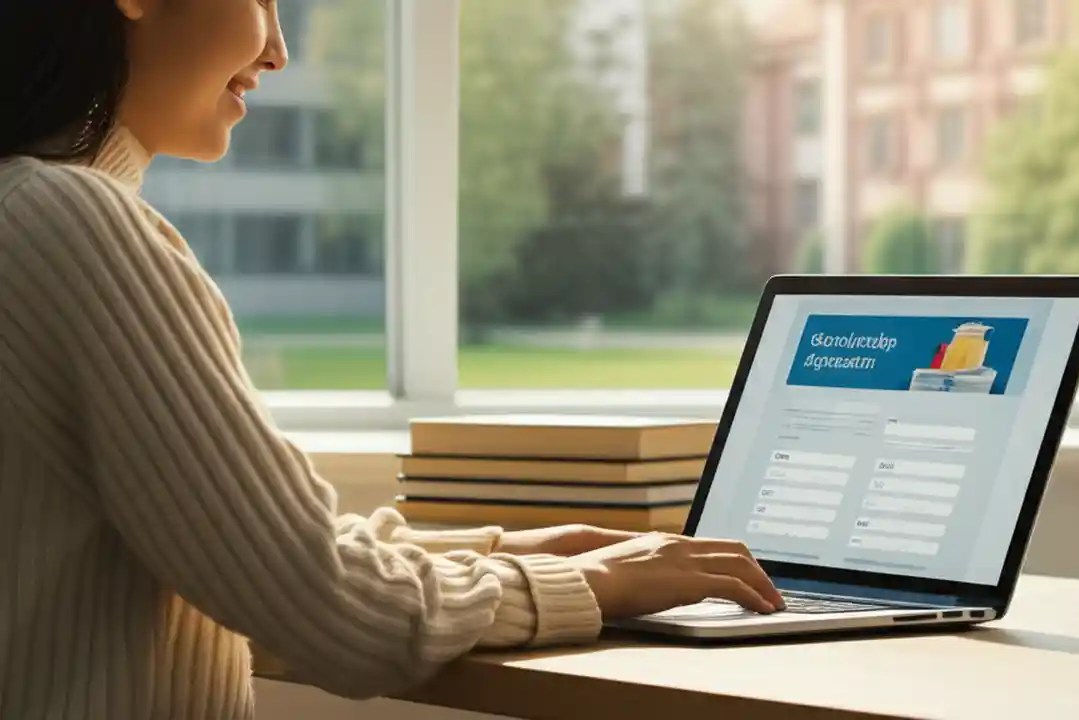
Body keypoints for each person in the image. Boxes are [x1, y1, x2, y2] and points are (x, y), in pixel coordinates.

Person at [0, 1, 784, 718]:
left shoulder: (28, 214)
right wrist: (593, 583)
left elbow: (246, 560)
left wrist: (502, 549)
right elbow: (332, 609)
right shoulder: (72, 224)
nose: (276, 51)